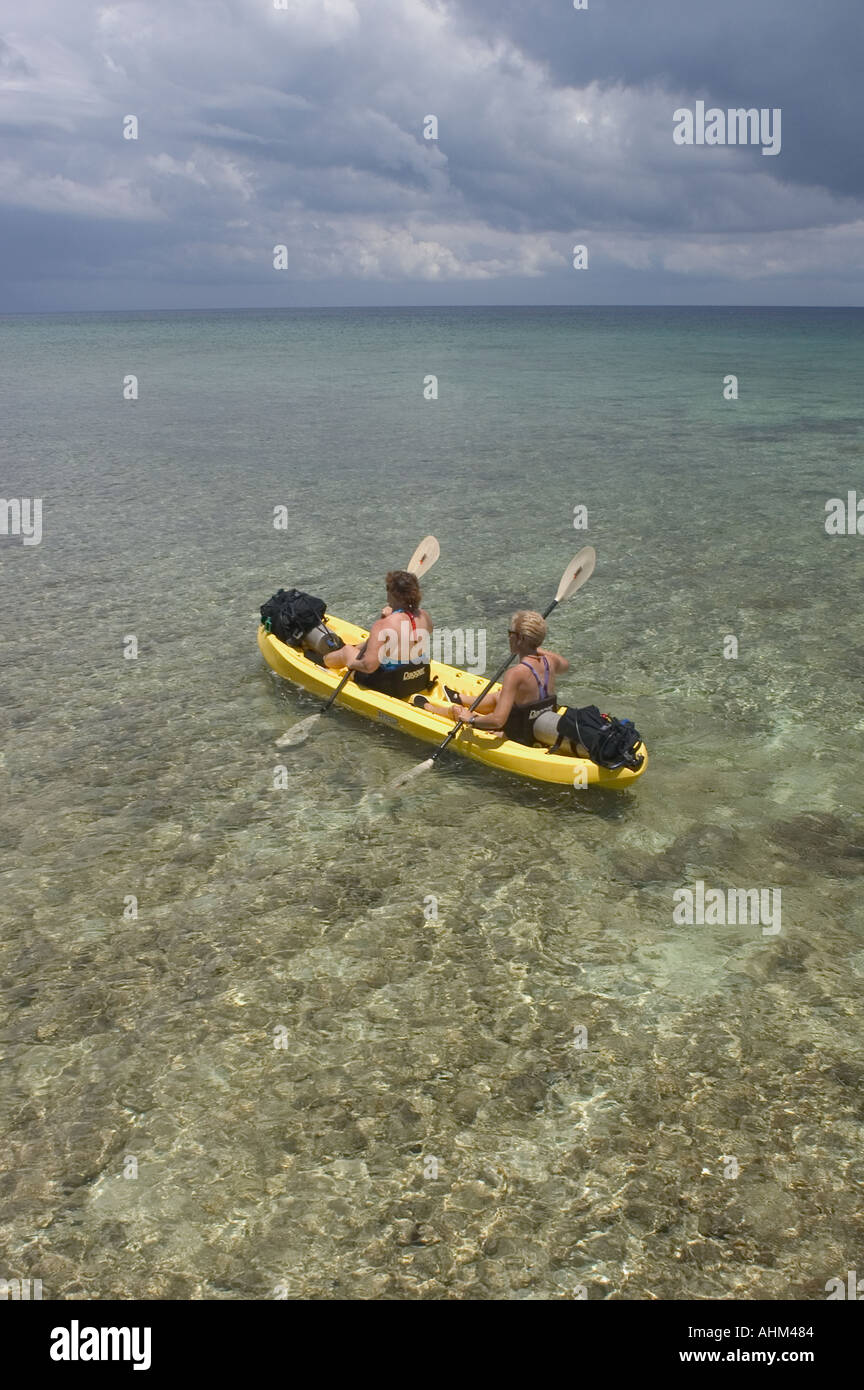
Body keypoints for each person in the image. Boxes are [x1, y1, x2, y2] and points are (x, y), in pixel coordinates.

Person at [415, 610, 568, 746]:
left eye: (510, 633)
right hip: (534, 724)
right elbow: (565, 665)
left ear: (520, 638)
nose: (508, 637)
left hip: (521, 736)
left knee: (460, 713)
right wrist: (535, 648)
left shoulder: (515, 674)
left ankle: (429, 707)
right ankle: (460, 698)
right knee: (501, 694)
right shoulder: (550, 662)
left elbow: (497, 720)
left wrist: (471, 719)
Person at [324, 570, 433, 699]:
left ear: (393, 593)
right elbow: (409, 635)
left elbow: (368, 666)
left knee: (347, 651)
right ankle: (353, 649)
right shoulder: (424, 616)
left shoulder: (383, 625)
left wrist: (351, 662)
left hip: (392, 684)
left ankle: (322, 662)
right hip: (419, 677)